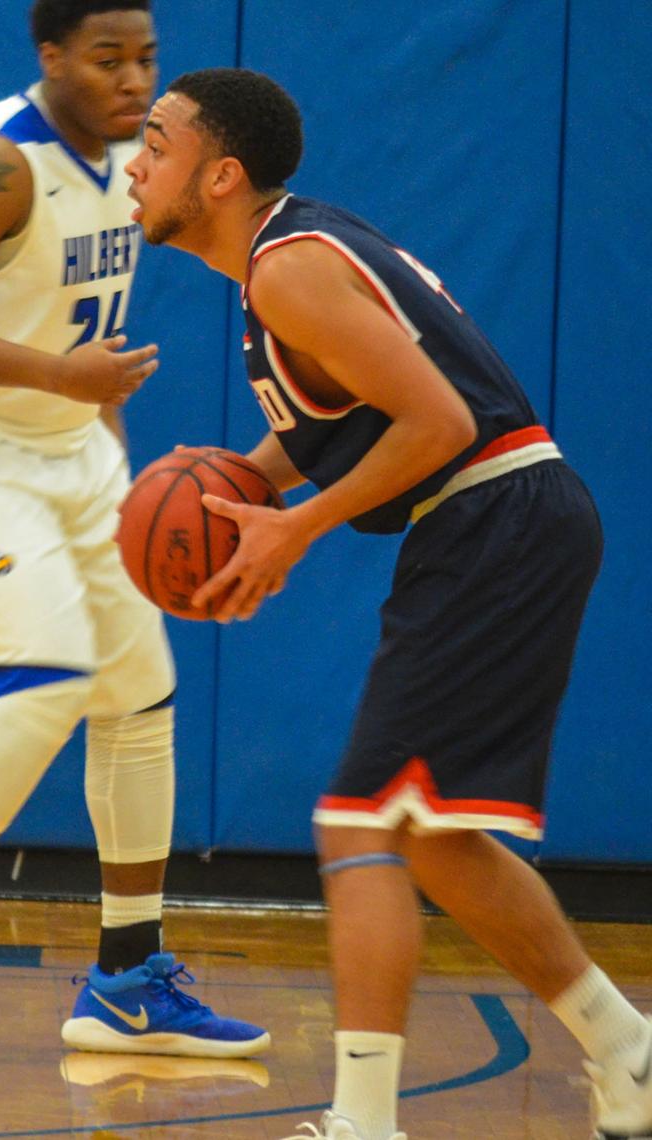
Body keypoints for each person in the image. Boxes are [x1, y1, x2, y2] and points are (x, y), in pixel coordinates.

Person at [124, 66, 651, 1140]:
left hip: (492, 513)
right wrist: (253, 479)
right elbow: (361, 410)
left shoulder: (286, 275)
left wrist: (294, 531)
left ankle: (363, 1125)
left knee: (359, 821)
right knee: (430, 835)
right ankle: (627, 1052)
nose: (132, 162)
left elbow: (438, 421)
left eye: (155, 140)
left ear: (218, 175)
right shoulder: (287, 260)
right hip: (501, 521)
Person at [0, 0, 267, 1065]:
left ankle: (127, 978)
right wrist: (57, 381)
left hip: (69, 449)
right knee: (50, 673)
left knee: (139, 689)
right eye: (105, 58)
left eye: (146, 59)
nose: (130, 79)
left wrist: (108, 459)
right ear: (50, 56)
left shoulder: (132, 164)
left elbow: (92, 334)